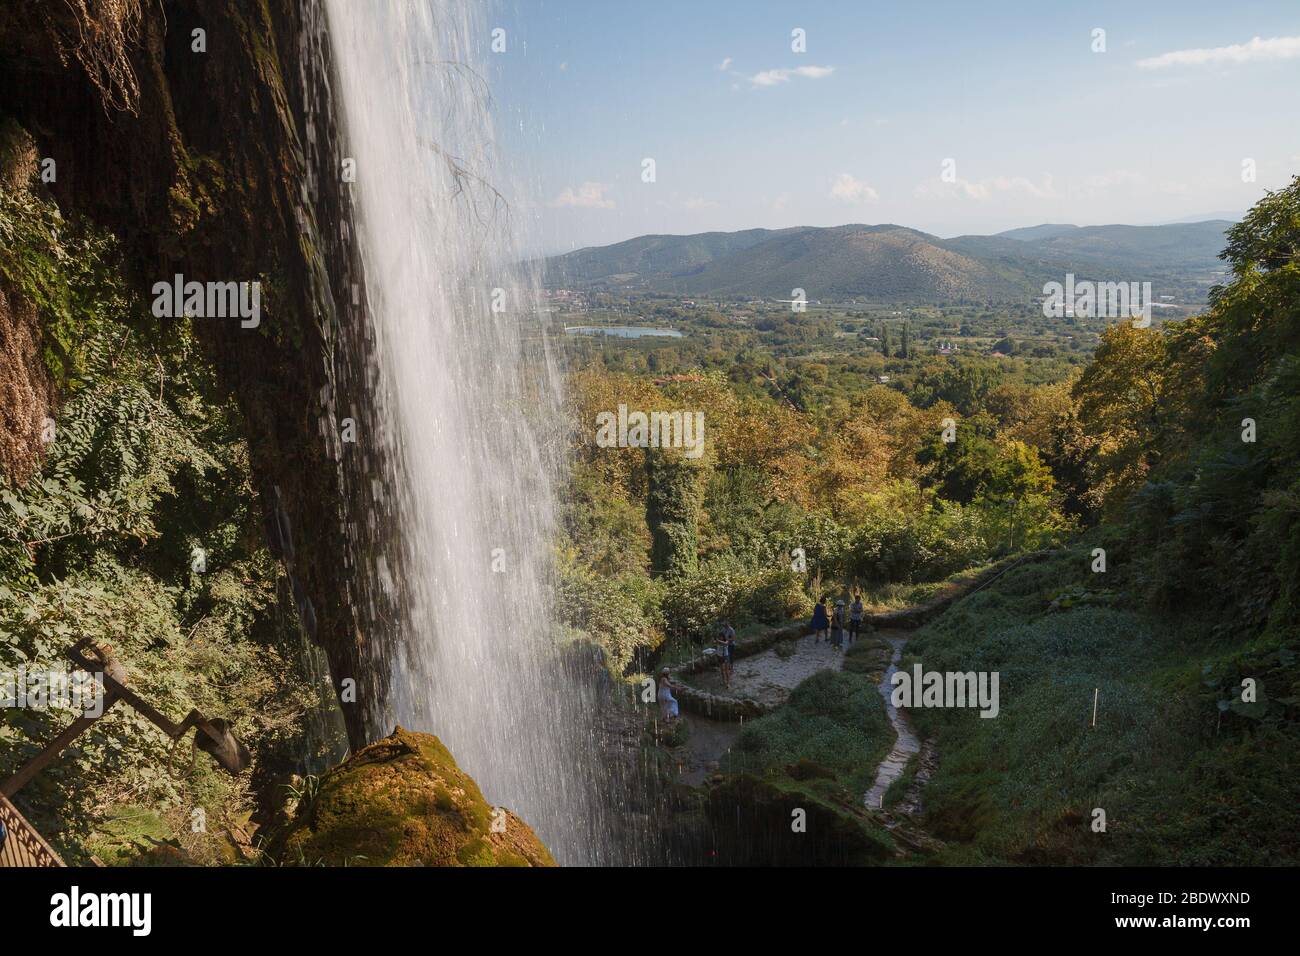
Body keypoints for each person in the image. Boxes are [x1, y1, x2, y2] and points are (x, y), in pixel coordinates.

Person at [716, 620, 737, 687]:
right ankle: (724, 681)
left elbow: (733, 639)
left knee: (730, 657)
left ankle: (731, 669)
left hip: (730, 645)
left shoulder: (731, 630)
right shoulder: (723, 629)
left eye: (724, 624)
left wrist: (724, 639)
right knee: (722, 670)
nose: (723, 625)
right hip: (721, 654)